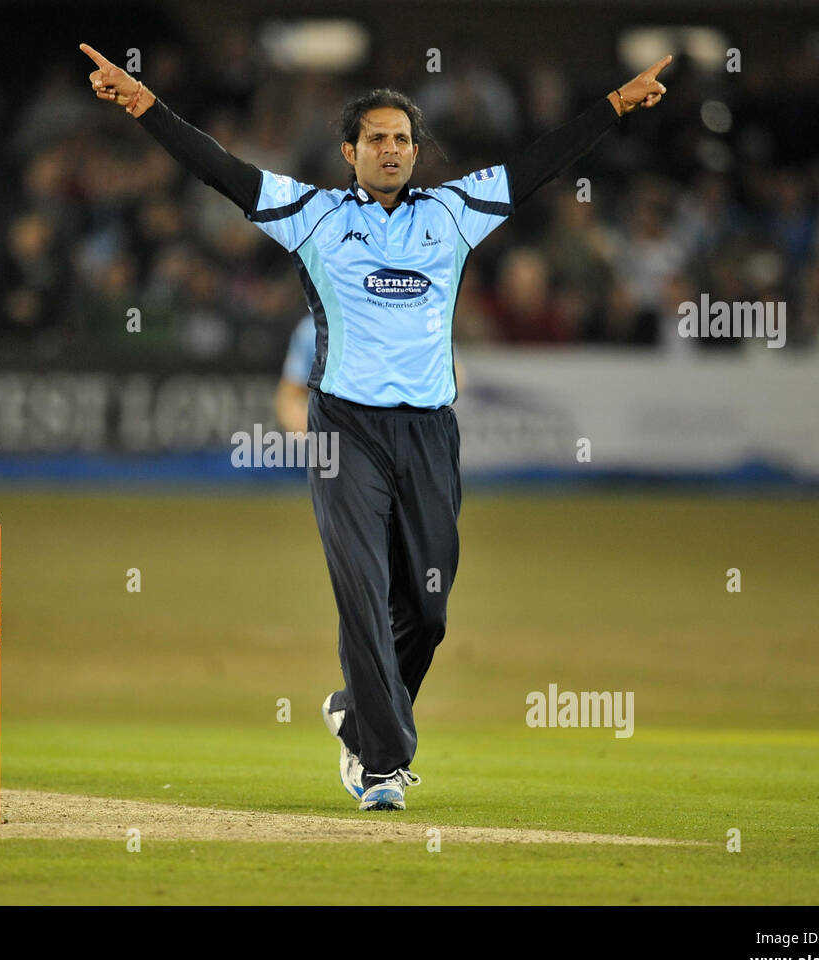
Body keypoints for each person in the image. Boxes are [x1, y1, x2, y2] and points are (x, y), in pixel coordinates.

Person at [80, 42, 671, 810]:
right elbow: (218, 168)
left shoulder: (456, 212)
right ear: (348, 152)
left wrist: (615, 106)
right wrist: (144, 105)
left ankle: (358, 717)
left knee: (426, 609)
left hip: (428, 433)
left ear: (416, 152)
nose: (390, 149)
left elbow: (541, 163)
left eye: (402, 139)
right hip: (344, 430)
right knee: (361, 589)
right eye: (376, 139)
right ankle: (381, 763)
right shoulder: (312, 214)